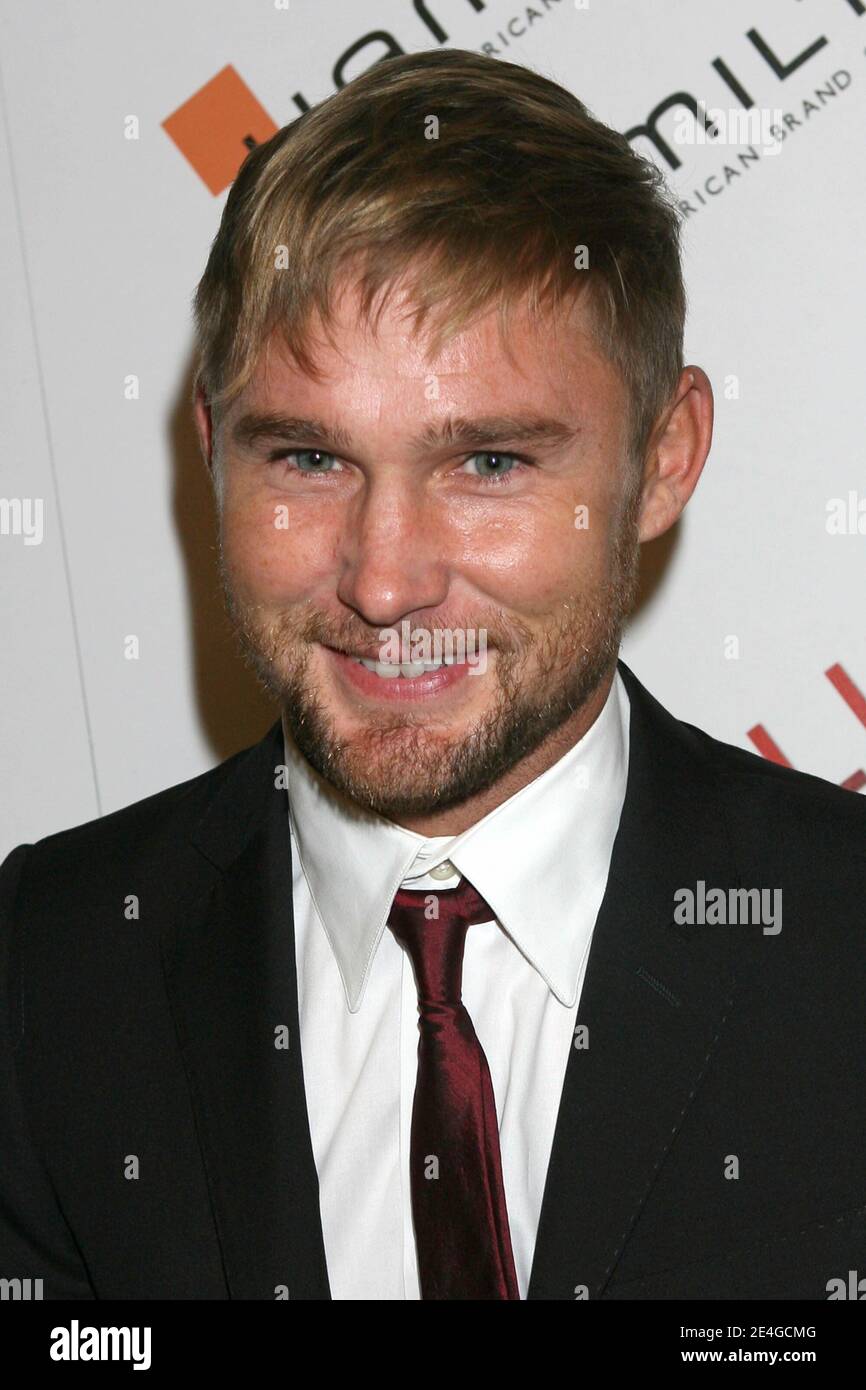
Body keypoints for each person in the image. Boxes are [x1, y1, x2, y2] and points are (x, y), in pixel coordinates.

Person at [1, 48, 864, 1302]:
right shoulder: (48, 975)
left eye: (490, 465)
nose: (384, 580)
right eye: (306, 457)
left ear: (662, 458)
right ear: (211, 453)